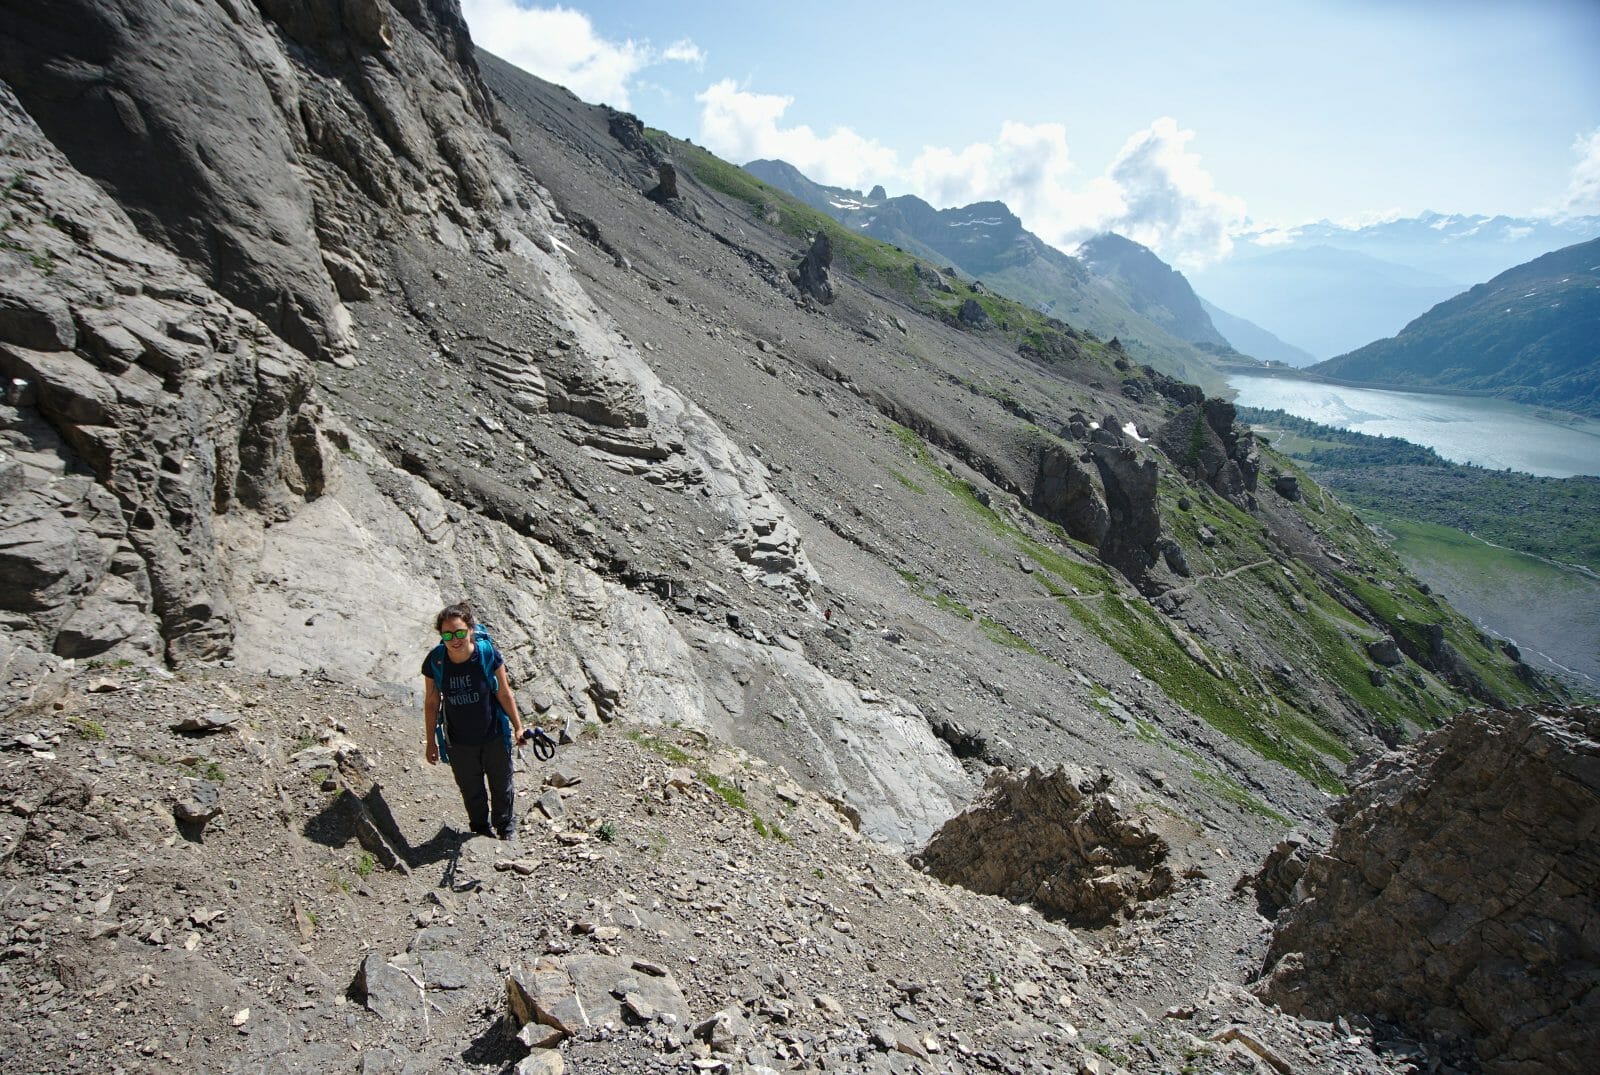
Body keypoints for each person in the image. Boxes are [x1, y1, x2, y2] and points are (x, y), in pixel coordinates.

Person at [422, 602, 525, 839]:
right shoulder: (436, 661)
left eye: (459, 632)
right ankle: (480, 830)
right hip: (459, 742)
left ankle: (505, 828)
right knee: (471, 789)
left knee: (502, 784)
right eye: (447, 634)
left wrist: (518, 727)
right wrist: (430, 742)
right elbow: (431, 702)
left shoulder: (487, 654)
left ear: (470, 629)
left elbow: (504, 692)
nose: (454, 639)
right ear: (441, 635)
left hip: (494, 735)